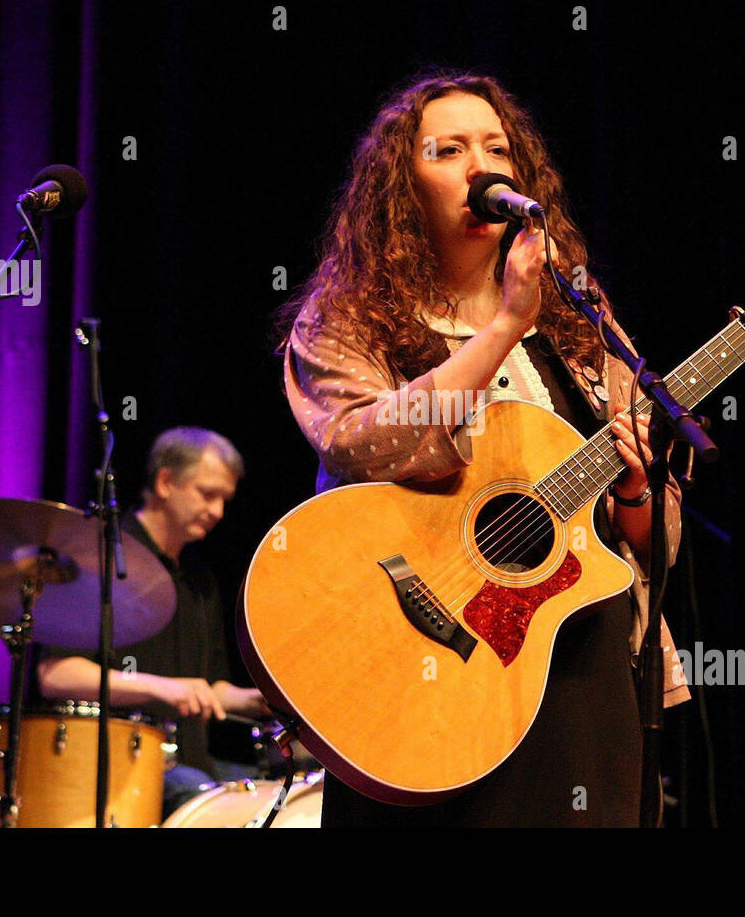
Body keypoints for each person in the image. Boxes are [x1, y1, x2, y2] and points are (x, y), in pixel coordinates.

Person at [276, 70, 692, 827]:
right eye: (451, 150)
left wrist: (634, 489)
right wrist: (502, 325)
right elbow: (360, 448)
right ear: (402, 188)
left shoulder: (576, 322)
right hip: (424, 681)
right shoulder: (347, 319)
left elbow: (659, 539)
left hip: (581, 672)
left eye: (497, 149)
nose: (483, 167)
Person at [37, 426, 271, 816]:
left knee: (291, 795)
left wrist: (259, 701)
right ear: (165, 482)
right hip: (112, 764)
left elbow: (210, 688)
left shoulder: (199, 579)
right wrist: (161, 689)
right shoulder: (101, 561)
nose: (218, 512)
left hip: (193, 765)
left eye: (225, 500)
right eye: (207, 494)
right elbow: (55, 674)